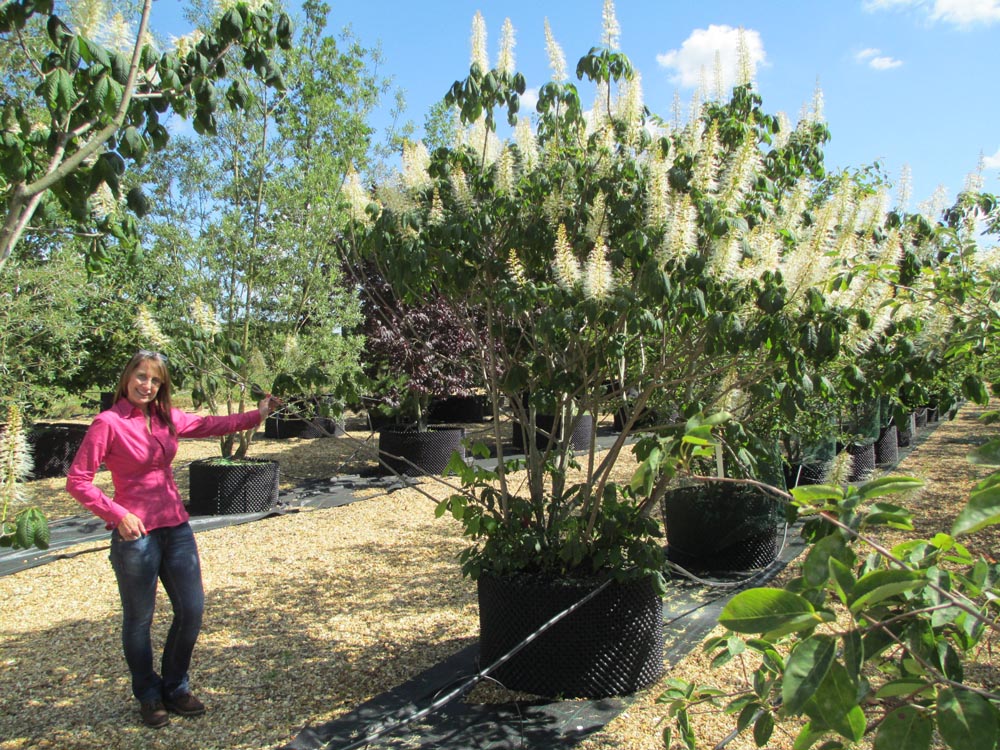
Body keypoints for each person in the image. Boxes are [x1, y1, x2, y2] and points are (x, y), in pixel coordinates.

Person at [66, 350, 279, 728]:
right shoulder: (108, 422)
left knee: (192, 610)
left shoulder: (165, 418)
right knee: (139, 619)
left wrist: (258, 414)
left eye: (155, 380)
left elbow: (213, 424)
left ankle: (176, 687)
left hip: (176, 527)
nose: (146, 385)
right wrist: (117, 515)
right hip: (137, 536)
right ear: (127, 376)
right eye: (141, 376)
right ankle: (149, 695)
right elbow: (78, 480)